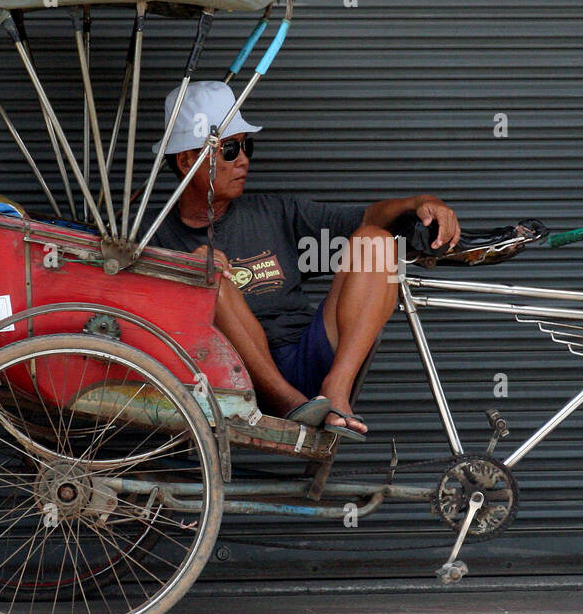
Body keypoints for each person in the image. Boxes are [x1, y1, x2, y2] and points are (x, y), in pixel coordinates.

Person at [141, 81, 460, 441]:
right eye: (230, 149)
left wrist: (420, 201)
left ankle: (336, 389)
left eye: (248, 146)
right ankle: (285, 399)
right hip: (236, 379)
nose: (244, 158)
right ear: (187, 159)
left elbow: (370, 216)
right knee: (206, 273)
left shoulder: (275, 212)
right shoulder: (155, 237)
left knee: (376, 242)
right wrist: (185, 270)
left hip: (311, 358)